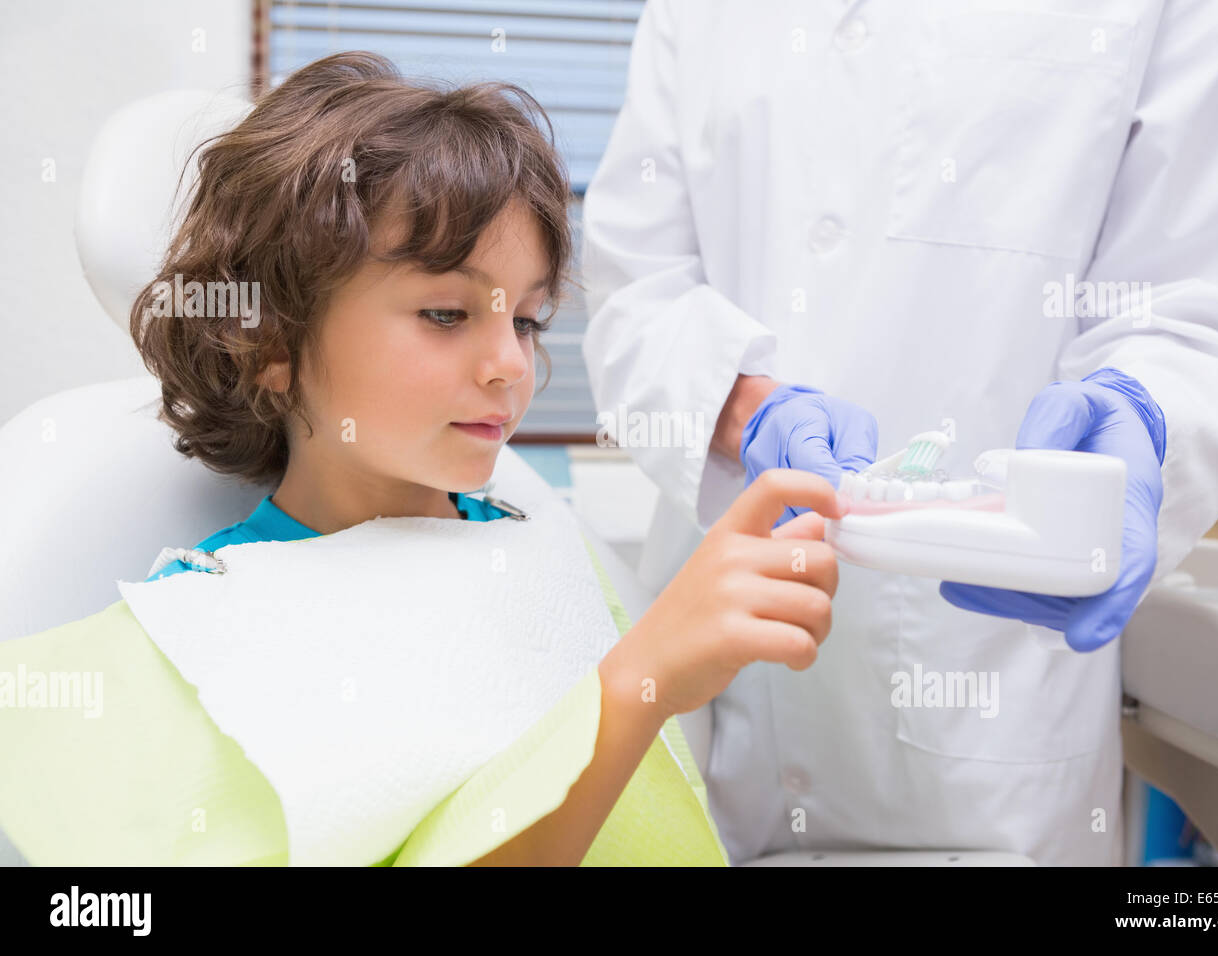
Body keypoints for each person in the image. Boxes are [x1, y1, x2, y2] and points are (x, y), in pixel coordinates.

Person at [582, 0, 1218, 864]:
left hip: (992, 728)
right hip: (722, 719)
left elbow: (1198, 299)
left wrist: (1145, 415)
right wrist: (745, 406)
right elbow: (632, 287)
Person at [115, 51, 849, 865]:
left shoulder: (528, 545)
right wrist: (640, 680)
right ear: (271, 343)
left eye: (528, 320)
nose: (511, 364)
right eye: (445, 313)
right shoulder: (207, 621)